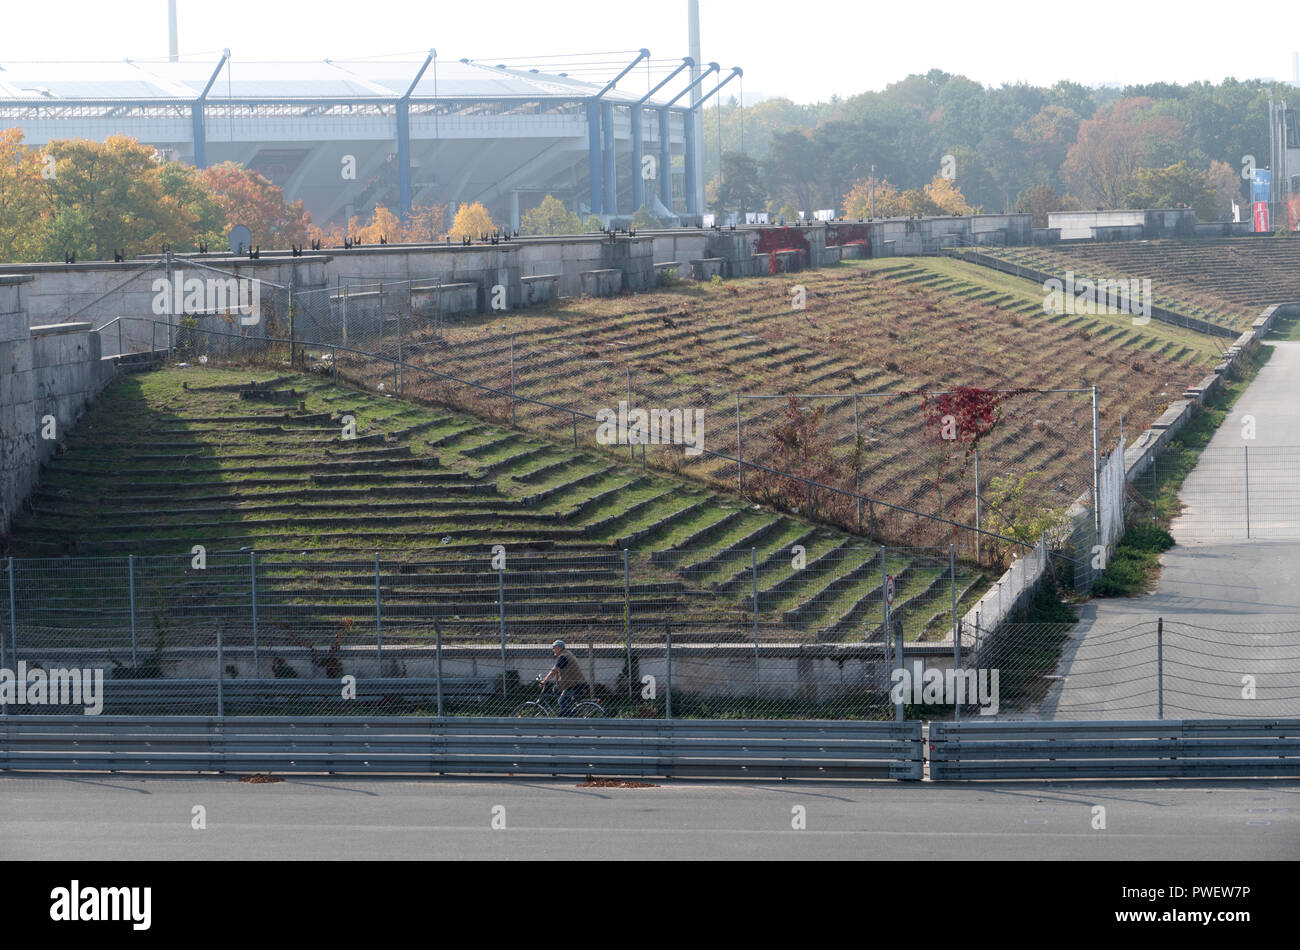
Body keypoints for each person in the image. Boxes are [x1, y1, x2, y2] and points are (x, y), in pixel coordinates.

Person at [539, 640, 589, 717]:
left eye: (554, 648)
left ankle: (570, 718)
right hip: (573, 682)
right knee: (556, 689)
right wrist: (546, 678)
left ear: (559, 648)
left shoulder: (563, 656)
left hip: (574, 684)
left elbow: (554, 670)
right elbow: (555, 668)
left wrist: (545, 680)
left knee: (561, 701)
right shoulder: (566, 654)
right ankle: (565, 709)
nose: (553, 650)